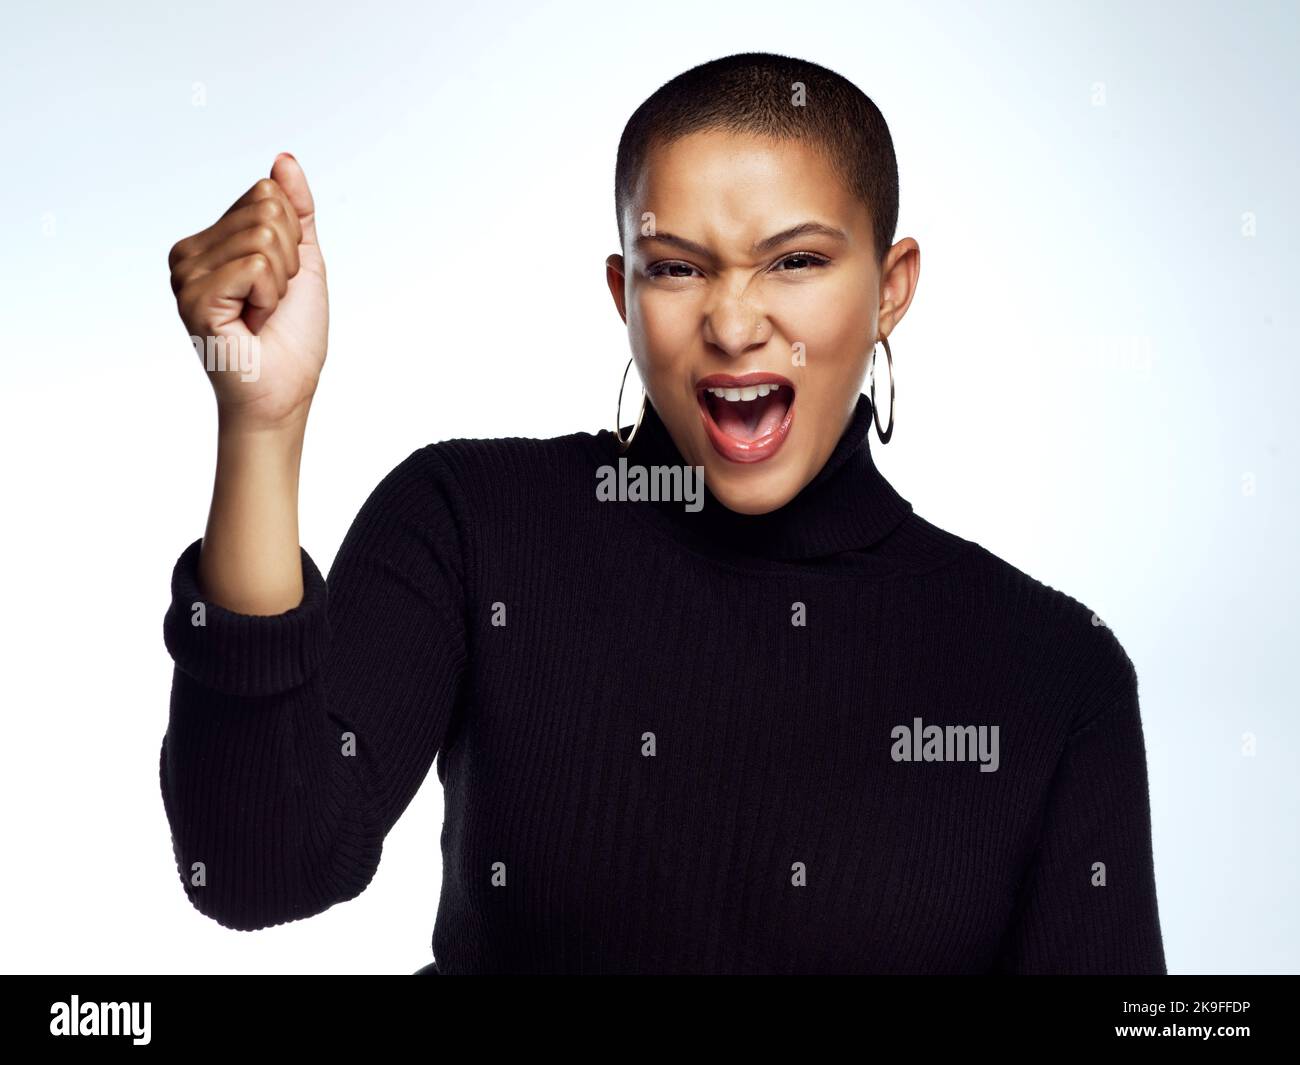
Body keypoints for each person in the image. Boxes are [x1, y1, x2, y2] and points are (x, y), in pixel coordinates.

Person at [159, 51, 1166, 974]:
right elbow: (259, 870)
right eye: (676, 268)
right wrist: (261, 426)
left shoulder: (1052, 672)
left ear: (891, 288)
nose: (732, 323)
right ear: (623, 293)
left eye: (797, 261)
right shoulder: (472, 526)